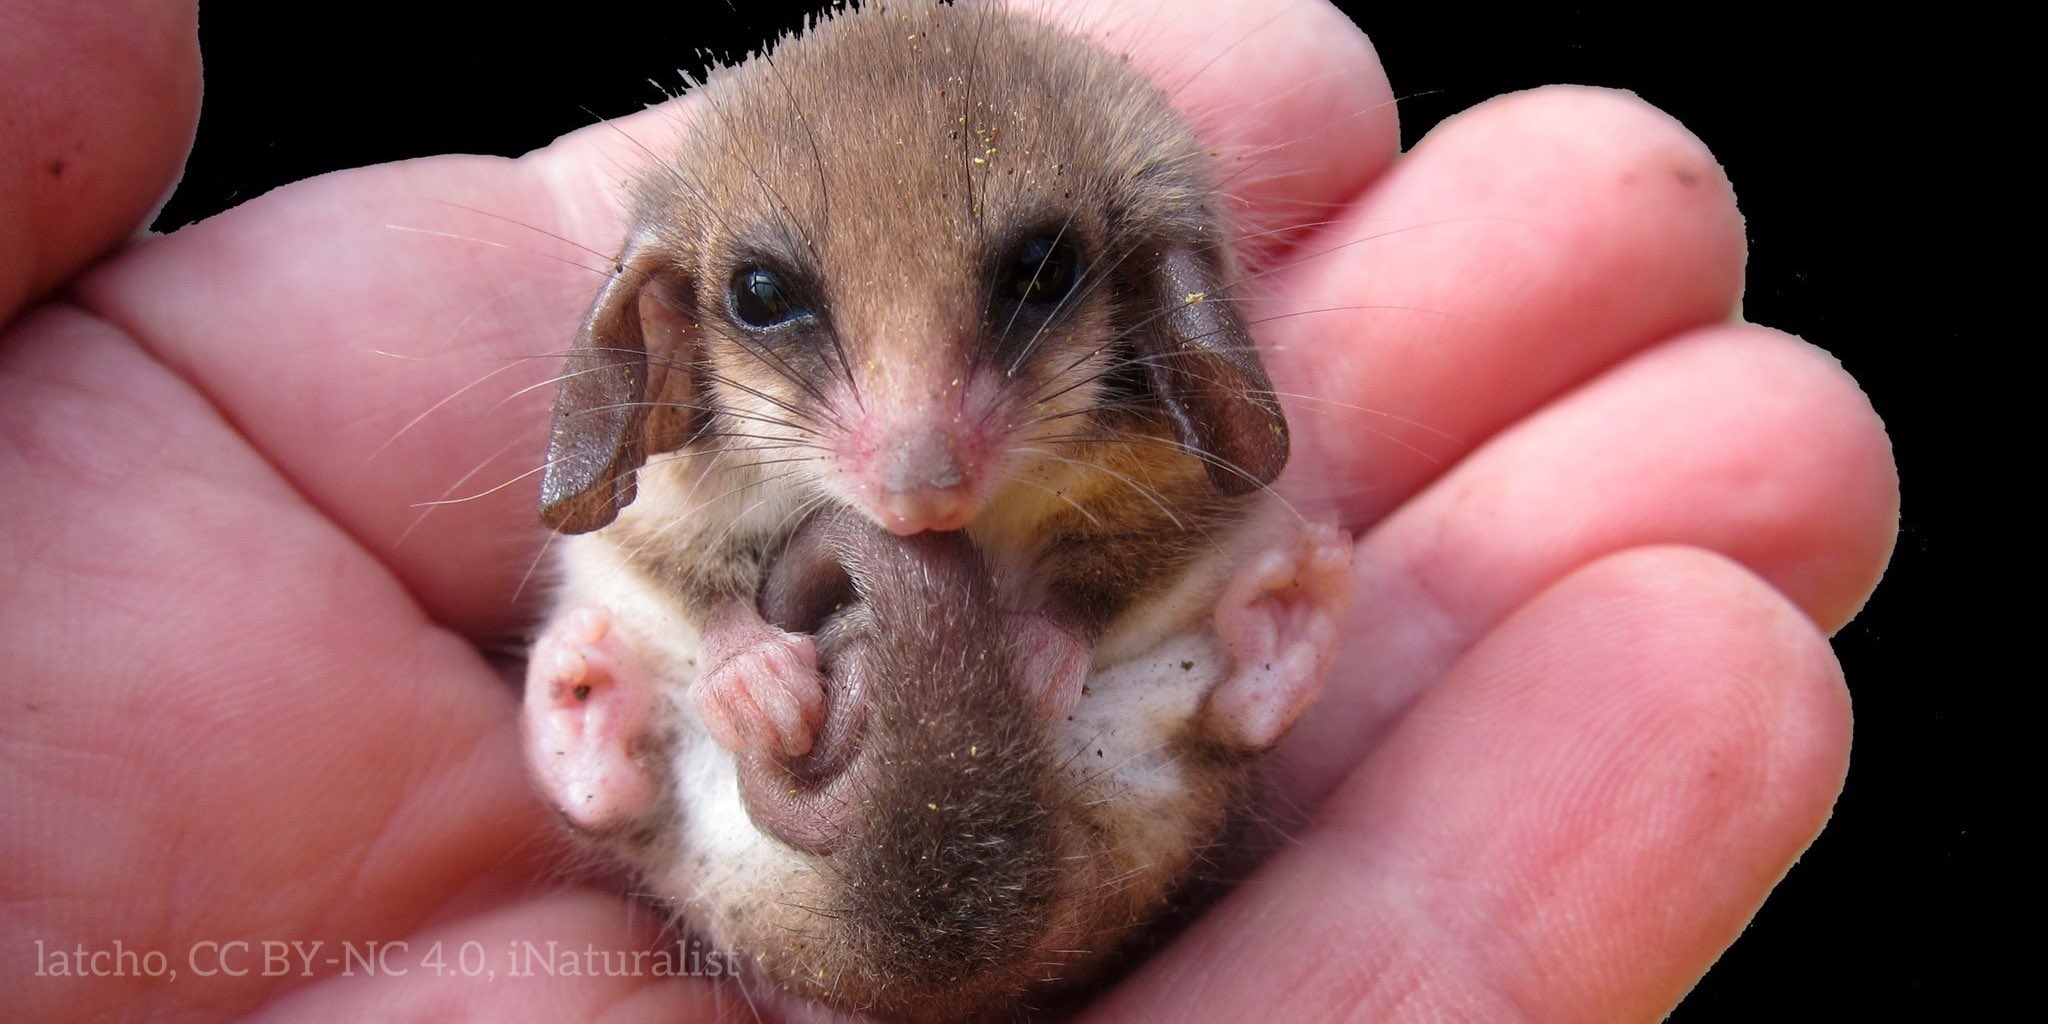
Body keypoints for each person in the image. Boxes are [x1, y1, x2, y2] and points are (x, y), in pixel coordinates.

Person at [0, 0, 1897, 1019]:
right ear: (671, 312)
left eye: (1031, 289)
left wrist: (1051, 626)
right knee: (641, 602)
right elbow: (656, 536)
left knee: (1174, 620)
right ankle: (644, 734)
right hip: (781, 844)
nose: (914, 462)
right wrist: (730, 644)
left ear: (1157, 293)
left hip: (1062, 816)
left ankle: (1199, 674)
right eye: (774, 307)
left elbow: (1189, 494)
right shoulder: (678, 424)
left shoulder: (1160, 388)